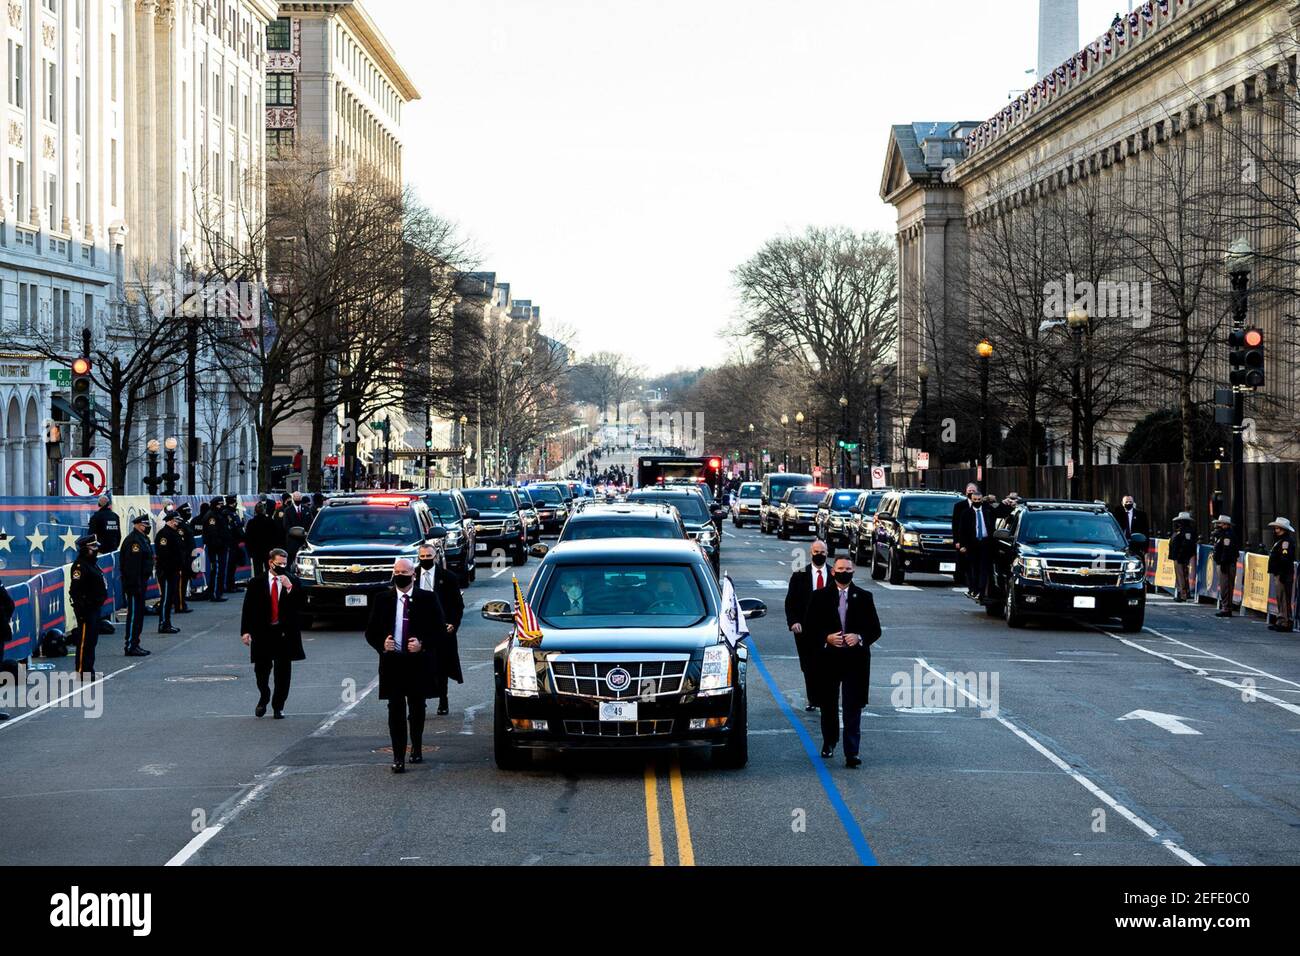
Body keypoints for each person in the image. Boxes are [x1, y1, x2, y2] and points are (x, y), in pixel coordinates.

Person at [365, 558, 447, 773]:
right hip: (393, 662)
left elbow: (440, 630)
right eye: (397, 571)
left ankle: (417, 747)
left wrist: (423, 644)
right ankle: (398, 756)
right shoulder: (382, 599)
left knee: (417, 707)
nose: (400, 575)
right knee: (395, 710)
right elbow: (370, 631)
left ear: (414, 574)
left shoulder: (427, 599)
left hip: (418, 663)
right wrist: (382, 643)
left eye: (405, 571)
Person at [805, 555, 881, 768]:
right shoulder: (819, 597)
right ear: (833, 571)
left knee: (852, 706)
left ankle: (852, 752)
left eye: (848, 568)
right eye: (840, 568)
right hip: (828, 659)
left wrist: (859, 637)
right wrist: (826, 638)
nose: (844, 572)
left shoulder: (864, 597)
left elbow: (875, 629)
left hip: (855, 660)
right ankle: (829, 741)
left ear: (853, 571)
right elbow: (810, 628)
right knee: (828, 705)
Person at [240, 549, 305, 719]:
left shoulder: (293, 581)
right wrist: (245, 631)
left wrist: (289, 587)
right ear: (271, 563)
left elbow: (301, 604)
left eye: (285, 563)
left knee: (283, 672)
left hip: (284, 633)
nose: (282, 566)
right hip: (263, 632)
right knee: (261, 670)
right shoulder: (256, 582)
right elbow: (248, 608)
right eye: (279, 563)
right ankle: (264, 696)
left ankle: (278, 706)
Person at [414, 544, 463, 716]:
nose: (426, 559)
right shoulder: (412, 576)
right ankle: (419, 702)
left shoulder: (448, 577)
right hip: (418, 628)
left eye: (429, 556)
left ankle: (443, 699)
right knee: (418, 667)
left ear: (435, 557)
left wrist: (453, 624)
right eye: (423, 556)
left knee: (441, 666)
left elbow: (458, 605)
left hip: (441, 628)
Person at [784, 539, 829, 711]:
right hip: (804, 630)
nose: (819, 555)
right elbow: (790, 602)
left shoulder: (834, 574)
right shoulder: (800, 575)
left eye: (822, 552)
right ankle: (813, 698)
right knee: (808, 665)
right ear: (811, 553)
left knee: (826, 665)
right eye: (816, 552)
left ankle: (825, 697)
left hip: (828, 629)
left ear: (827, 553)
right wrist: (793, 622)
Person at [69, 535, 109, 674]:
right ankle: (82, 671)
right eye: (93, 547)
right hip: (86, 610)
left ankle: (89, 669)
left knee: (92, 641)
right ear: (86, 549)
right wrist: (84, 607)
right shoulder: (80, 566)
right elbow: (76, 590)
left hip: (94, 607)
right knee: (85, 641)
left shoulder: (91, 563)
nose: (96, 549)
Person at [119, 513, 155, 656]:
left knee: (139, 615)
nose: (147, 528)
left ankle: (135, 643)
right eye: (145, 526)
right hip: (135, 584)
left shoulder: (142, 539)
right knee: (134, 615)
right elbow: (132, 567)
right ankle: (130, 645)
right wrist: (135, 585)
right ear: (138, 525)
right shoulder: (134, 542)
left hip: (141, 582)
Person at [956, 489, 996, 603]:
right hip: (971, 544)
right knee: (973, 568)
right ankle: (974, 589)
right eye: (975, 500)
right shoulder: (966, 513)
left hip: (986, 543)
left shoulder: (988, 511)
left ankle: (981, 592)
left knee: (984, 568)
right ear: (971, 500)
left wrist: (1007, 504)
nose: (977, 501)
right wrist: (962, 544)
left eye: (979, 500)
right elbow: (961, 530)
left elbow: (999, 512)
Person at [153, 511, 184, 635]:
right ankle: (163, 624)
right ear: (170, 520)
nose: (178, 523)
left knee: (170, 597)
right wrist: (171, 569)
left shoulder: (174, 533)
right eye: (176, 520)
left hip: (174, 570)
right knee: (166, 598)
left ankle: (167, 623)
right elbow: (164, 555)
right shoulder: (164, 535)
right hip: (166, 572)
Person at [1266, 517, 1295, 633]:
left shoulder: (1285, 542)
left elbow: (1285, 558)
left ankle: (1285, 622)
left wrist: (1282, 572)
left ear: (1283, 529)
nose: (1275, 530)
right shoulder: (1280, 541)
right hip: (1279, 572)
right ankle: (1281, 619)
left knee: (1284, 598)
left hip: (1284, 573)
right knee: (1280, 597)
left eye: (1277, 528)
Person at [952, 483, 980, 596]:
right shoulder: (959, 506)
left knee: (976, 566)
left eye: (973, 490)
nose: (971, 492)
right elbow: (955, 525)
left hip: (978, 541)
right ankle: (969, 585)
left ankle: (975, 587)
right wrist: (957, 541)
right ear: (966, 492)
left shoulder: (981, 505)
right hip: (964, 540)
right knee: (966, 564)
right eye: (969, 490)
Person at [1212, 516, 1239, 618]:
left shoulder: (1228, 535)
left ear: (1226, 525)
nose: (1219, 525)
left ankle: (1227, 608)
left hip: (1227, 564)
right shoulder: (1222, 535)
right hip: (1222, 563)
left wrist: (1223, 562)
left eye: (1221, 524)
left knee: (1226, 587)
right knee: (1224, 587)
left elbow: (1226, 550)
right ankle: (1225, 607)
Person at [202, 497, 229, 602]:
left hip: (221, 547)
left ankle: (219, 592)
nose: (221, 506)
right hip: (216, 548)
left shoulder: (219, 514)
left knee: (220, 570)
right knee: (217, 571)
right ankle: (215, 593)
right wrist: (220, 544)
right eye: (219, 504)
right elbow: (212, 534)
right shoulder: (211, 516)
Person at [1169, 511, 1197, 602]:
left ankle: (1183, 594)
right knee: (1180, 575)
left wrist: (1182, 555)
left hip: (1181, 557)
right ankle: (1182, 592)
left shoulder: (1187, 531)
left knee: (1182, 575)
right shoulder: (1179, 530)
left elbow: (1187, 544)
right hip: (1177, 556)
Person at [176, 502, 196, 612]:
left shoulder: (185, 524)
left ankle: (182, 602)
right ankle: (180, 604)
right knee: (181, 583)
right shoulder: (181, 526)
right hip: (184, 558)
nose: (189, 513)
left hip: (189, 557)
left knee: (185, 581)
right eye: (187, 512)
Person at [224, 496, 246, 594]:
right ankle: (229, 586)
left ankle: (231, 584)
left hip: (235, 542)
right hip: (231, 543)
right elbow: (233, 527)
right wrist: (240, 525)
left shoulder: (232, 512)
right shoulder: (227, 513)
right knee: (230, 565)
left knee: (233, 565)